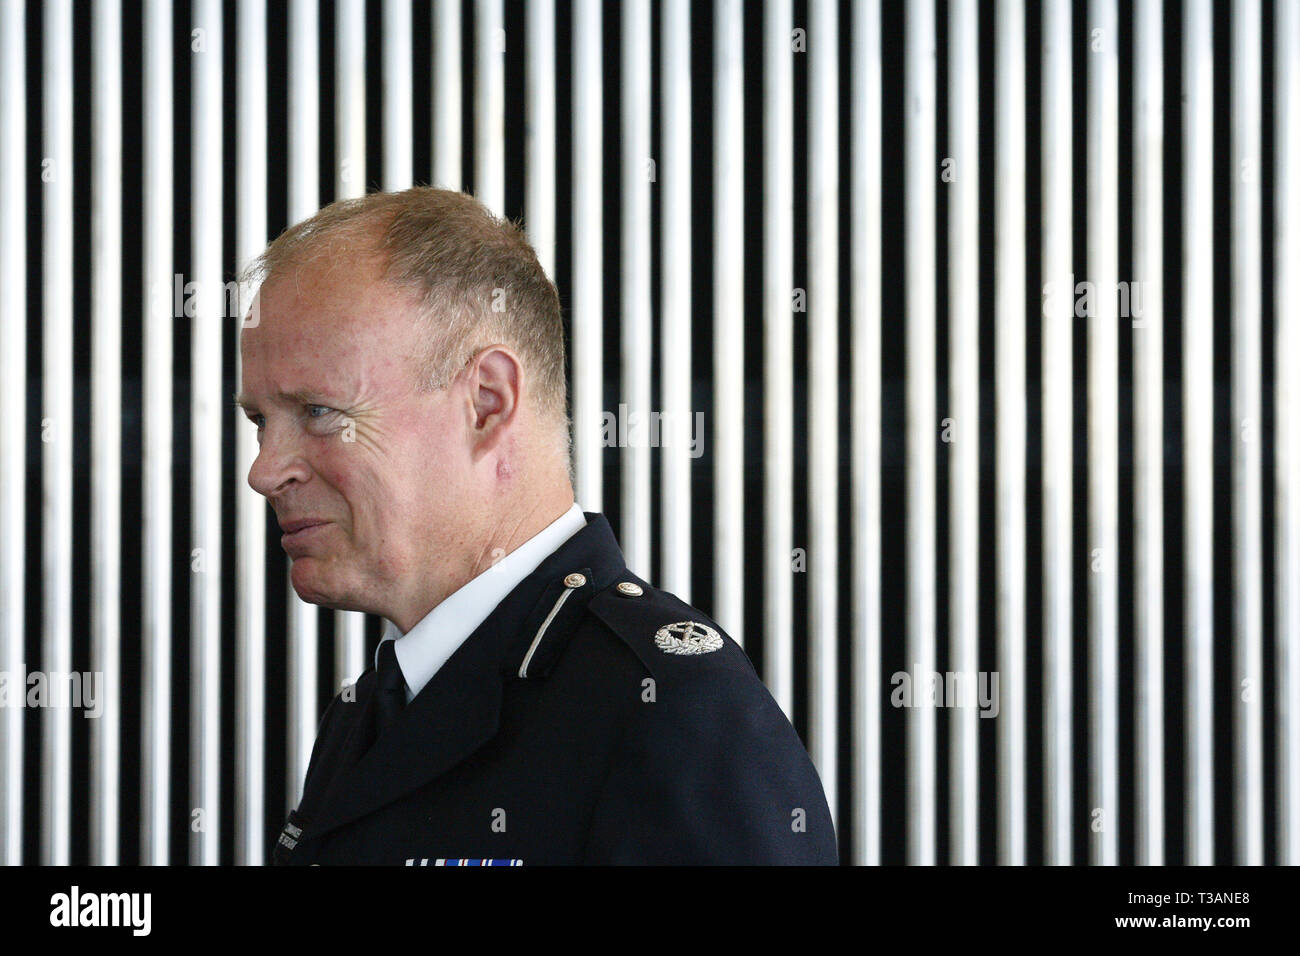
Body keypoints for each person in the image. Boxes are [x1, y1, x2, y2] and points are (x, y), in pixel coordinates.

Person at [236, 186, 837, 865]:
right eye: (260, 421)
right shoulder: (378, 708)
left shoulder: (676, 717)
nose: (265, 471)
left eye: (317, 411)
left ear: (487, 403)